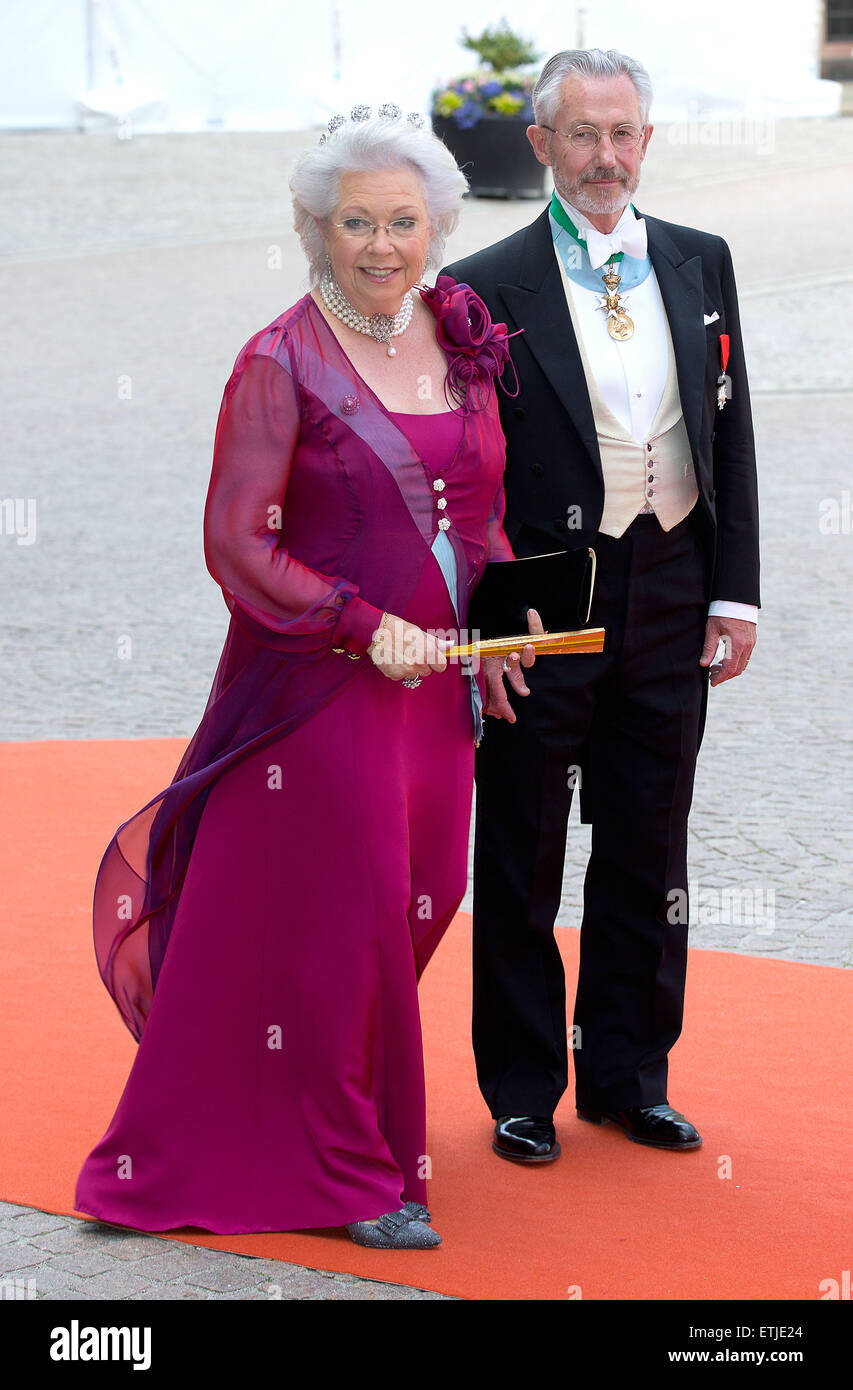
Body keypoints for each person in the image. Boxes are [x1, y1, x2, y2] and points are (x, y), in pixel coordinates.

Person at [74, 104, 539, 1249]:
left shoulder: (457, 329)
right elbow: (238, 542)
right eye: (355, 224)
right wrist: (357, 622)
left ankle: (257, 1108)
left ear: (438, 223)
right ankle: (352, 1170)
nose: (383, 245)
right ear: (312, 230)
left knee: (419, 896)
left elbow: (480, 508)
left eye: (405, 221)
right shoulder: (277, 361)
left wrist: (506, 620)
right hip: (317, 695)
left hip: (432, 696)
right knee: (349, 926)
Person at [442, 48, 759, 1163]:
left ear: (646, 142)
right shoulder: (481, 283)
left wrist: (736, 592)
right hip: (545, 602)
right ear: (539, 146)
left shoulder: (698, 260)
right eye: (581, 135)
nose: (604, 157)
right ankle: (522, 1085)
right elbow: (464, 472)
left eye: (622, 134)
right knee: (522, 844)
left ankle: (627, 1073)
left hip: (672, 580)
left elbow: (727, 432)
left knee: (647, 840)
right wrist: (479, 626)